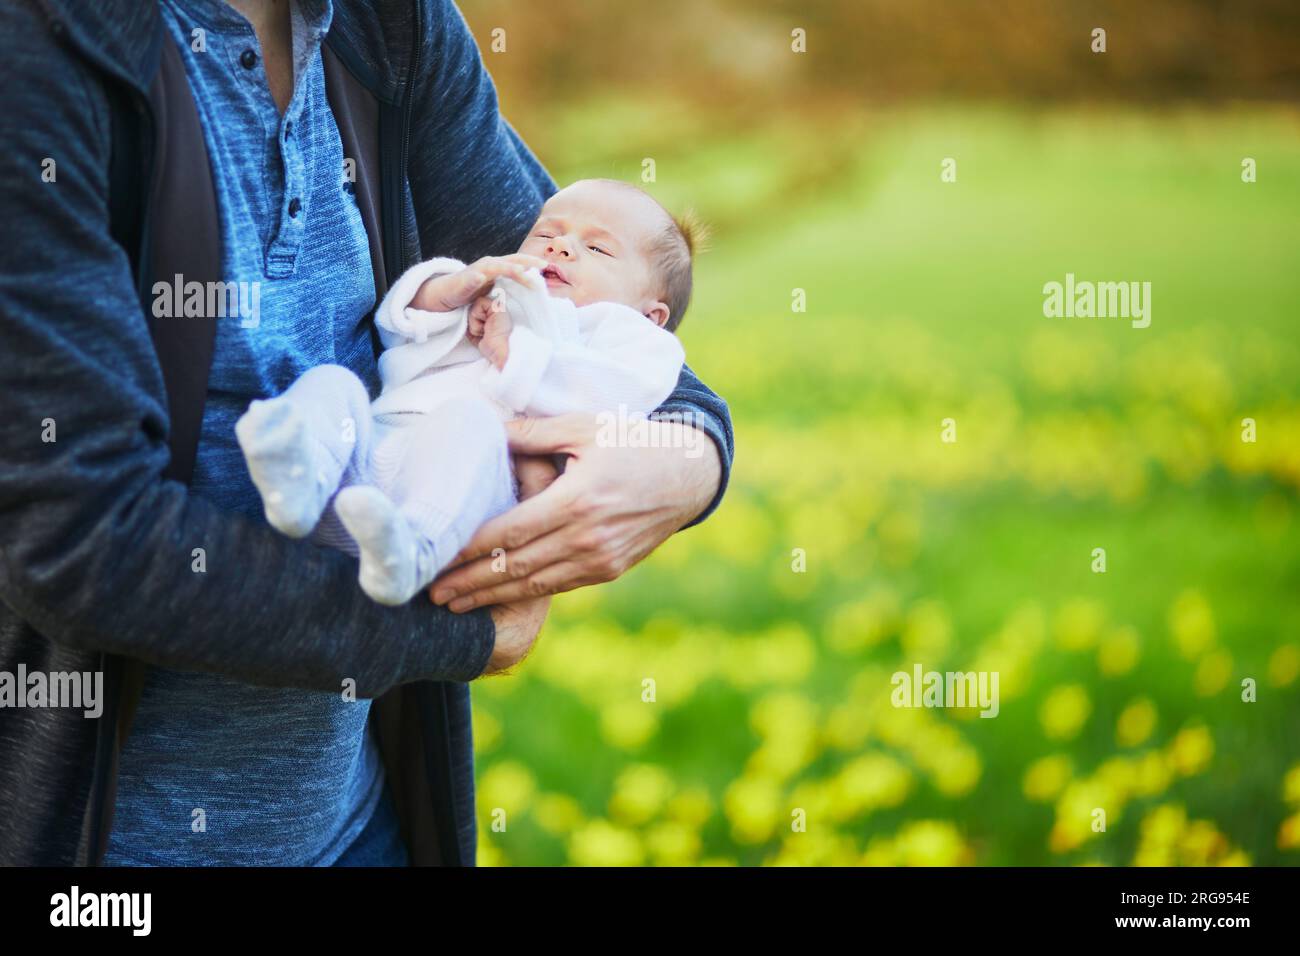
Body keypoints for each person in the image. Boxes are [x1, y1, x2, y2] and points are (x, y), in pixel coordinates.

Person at [0, 0, 733, 866]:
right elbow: (79, 542)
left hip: (360, 825)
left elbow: (596, 304)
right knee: (330, 403)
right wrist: (463, 632)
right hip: (105, 854)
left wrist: (690, 459)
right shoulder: (38, 50)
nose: (563, 248)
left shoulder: (391, 24)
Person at [237, 178, 699, 606]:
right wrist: (448, 293)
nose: (560, 246)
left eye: (597, 247)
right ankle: (300, 480)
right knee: (334, 383)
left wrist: (511, 352)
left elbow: (607, 398)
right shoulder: (501, 292)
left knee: (470, 422)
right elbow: (404, 333)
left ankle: (412, 548)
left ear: (651, 315)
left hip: (467, 488)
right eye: (546, 233)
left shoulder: (633, 340)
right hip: (375, 452)